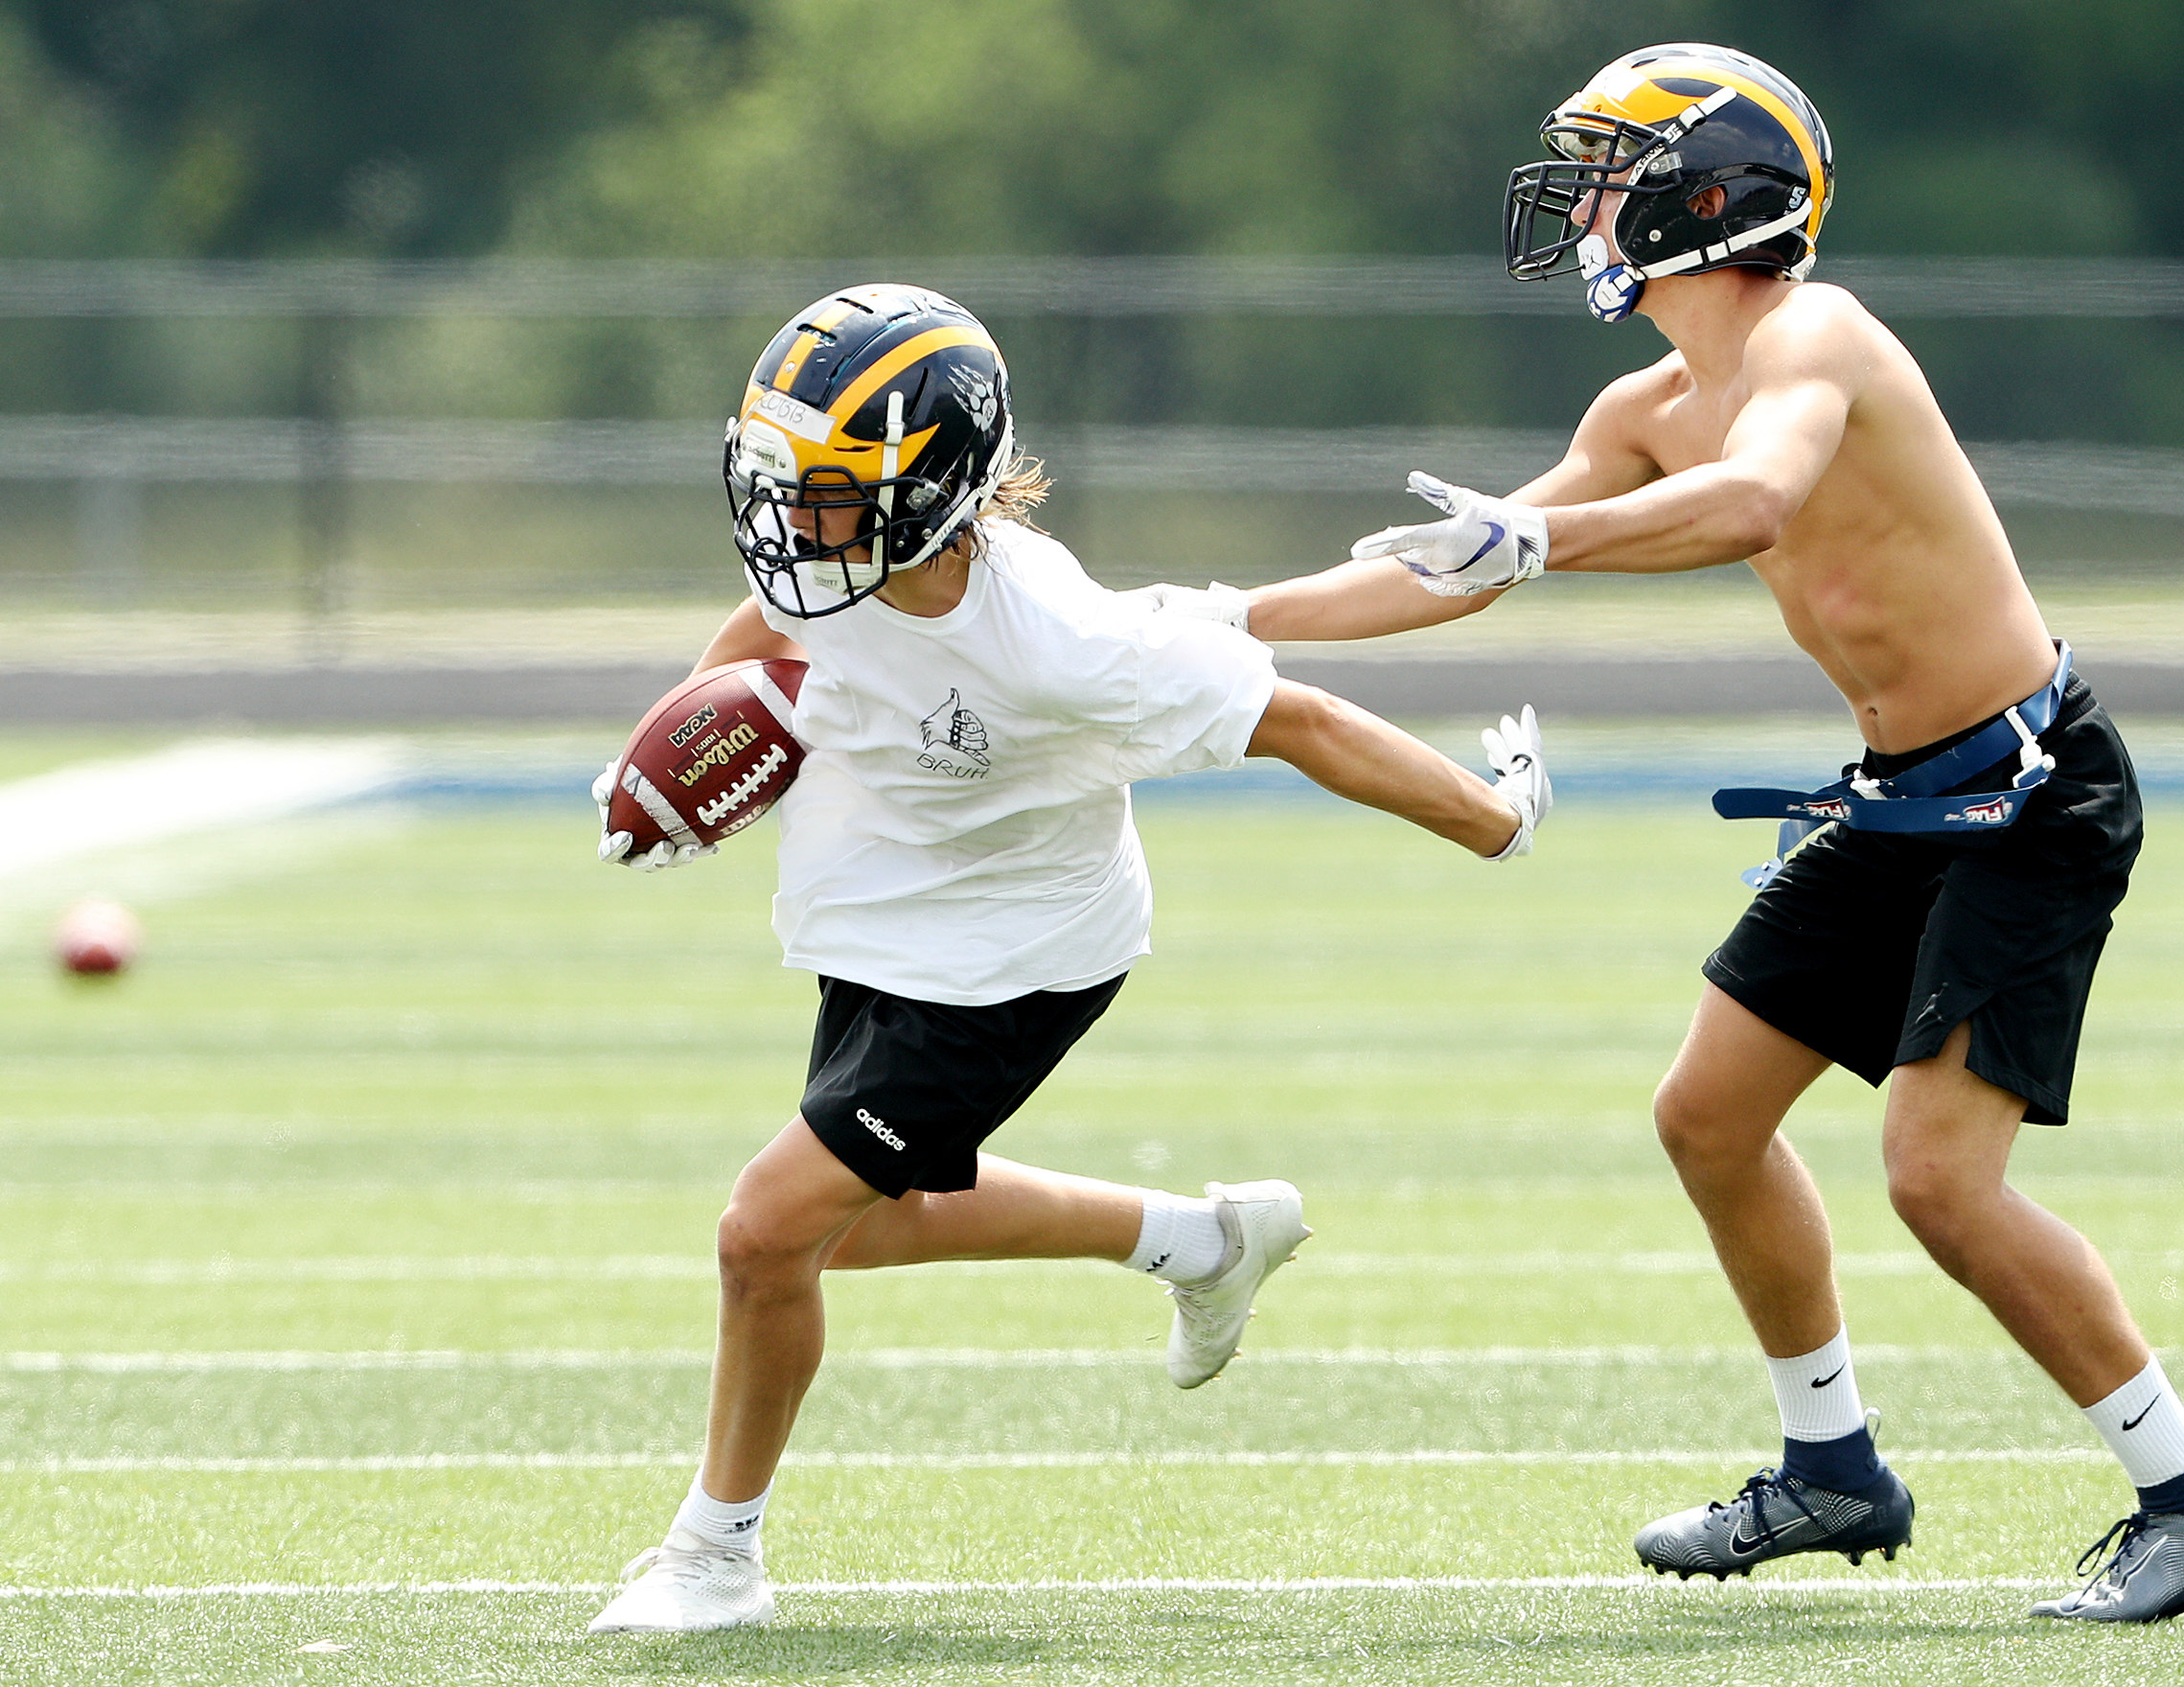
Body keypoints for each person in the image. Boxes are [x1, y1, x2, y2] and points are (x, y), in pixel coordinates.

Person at [1136, 43, 2184, 1625]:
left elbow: (1753, 500)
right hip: (1902, 793)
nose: (1587, 201)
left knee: (1940, 1185)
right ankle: (1834, 1471)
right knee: (1709, 1117)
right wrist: (1214, 620)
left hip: (2028, 791)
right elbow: (1452, 567)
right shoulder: (1647, 404)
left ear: (1708, 190)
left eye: (1612, 169)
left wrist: (1537, 534)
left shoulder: (1814, 336)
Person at [585, 283, 1552, 1634]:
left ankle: (714, 1555)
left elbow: (1305, 720)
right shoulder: (832, 558)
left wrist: (1496, 820)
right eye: (782, 485)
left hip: (1010, 960)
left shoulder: (1062, 642)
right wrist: (691, 762)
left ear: (931, 487)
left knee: (765, 1234)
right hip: (887, 917)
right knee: (850, 1237)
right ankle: (1202, 1242)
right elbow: (766, 639)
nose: (787, 523)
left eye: (826, 494)